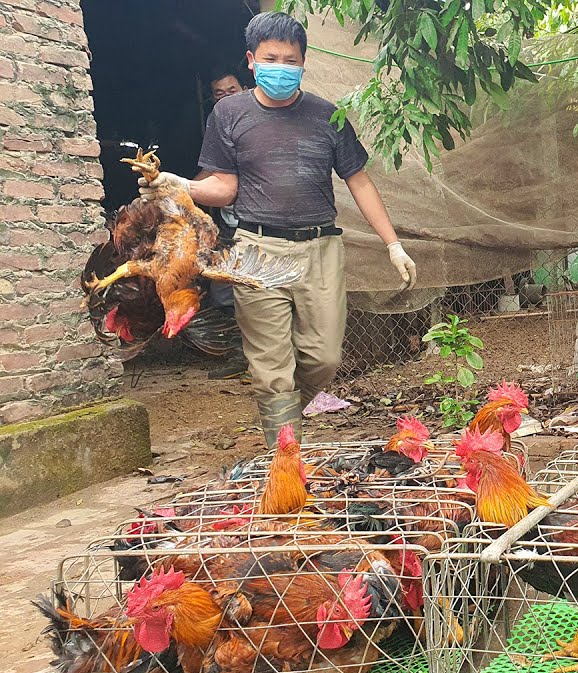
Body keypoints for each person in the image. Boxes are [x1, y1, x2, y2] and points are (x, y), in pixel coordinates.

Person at [140, 11, 417, 445]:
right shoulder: (229, 113)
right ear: (252, 61)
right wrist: (182, 185)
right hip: (257, 250)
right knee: (271, 368)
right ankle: (285, 456)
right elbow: (225, 188)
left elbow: (359, 181)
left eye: (291, 61)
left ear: (303, 62)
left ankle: (284, 421)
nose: (282, 68)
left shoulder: (327, 115)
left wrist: (393, 244)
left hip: (320, 248)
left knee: (324, 358)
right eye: (271, 59)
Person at [196, 68, 249, 379]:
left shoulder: (258, 122)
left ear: (245, 88)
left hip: (260, 225)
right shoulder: (218, 128)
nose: (226, 97)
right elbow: (210, 171)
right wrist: (183, 189)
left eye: (231, 90)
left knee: (260, 292)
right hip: (229, 228)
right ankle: (240, 355)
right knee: (222, 293)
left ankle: (270, 359)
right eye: (219, 93)